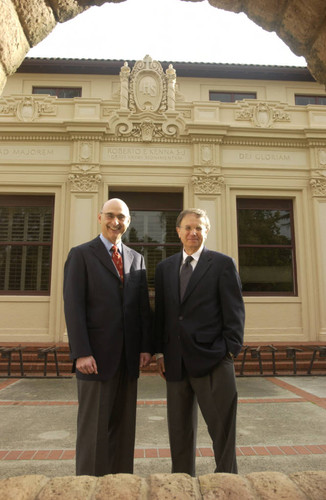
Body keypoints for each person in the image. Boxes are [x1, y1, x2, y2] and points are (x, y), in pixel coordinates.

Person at [63, 198, 152, 476]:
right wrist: (81, 352)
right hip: (95, 359)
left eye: (122, 217)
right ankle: (88, 488)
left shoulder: (136, 258)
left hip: (128, 361)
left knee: (123, 432)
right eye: (111, 216)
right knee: (94, 433)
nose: (116, 222)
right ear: (100, 217)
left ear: (129, 221)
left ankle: (121, 485)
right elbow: (73, 306)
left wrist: (146, 347)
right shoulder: (81, 255)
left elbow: (141, 309)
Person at [154, 208, 245, 477]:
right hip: (175, 362)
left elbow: (235, 311)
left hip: (214, 359)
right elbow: (162, 313)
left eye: (199, 228)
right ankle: (182, 483)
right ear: (178, 232)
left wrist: (229, 350)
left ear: (207, 231)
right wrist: (160, 352)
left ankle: (228, 483)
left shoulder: (222, 264)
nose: (193, 232)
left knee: (222, 431)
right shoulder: (164, 268)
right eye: (188, 227)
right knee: (179, 432)